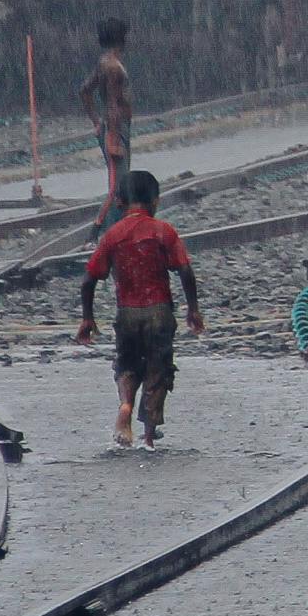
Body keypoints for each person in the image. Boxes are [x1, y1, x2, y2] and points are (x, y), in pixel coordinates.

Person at [76, 169, 204, 449]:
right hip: (159, 311)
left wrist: (88, 318)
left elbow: (88, 280)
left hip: (127, 313)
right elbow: (185, 271)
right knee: (158, 370)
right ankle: (148, 436)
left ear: (119, 202)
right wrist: (193, 309)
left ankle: (125, 406)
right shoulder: (163, 231)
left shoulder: (112, 235)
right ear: (155, 201)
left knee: (127, 363)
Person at [79, 17, 133, 237]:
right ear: (121, 39)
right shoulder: (112, 66)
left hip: (114, 127)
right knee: (117, 187)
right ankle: (100, 233)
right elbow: (112, 103)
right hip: (116, 130)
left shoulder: (104, 62)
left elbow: (84, 90)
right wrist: (111, 135)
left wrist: (96, 122)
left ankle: (116, 231)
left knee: (121, 184)